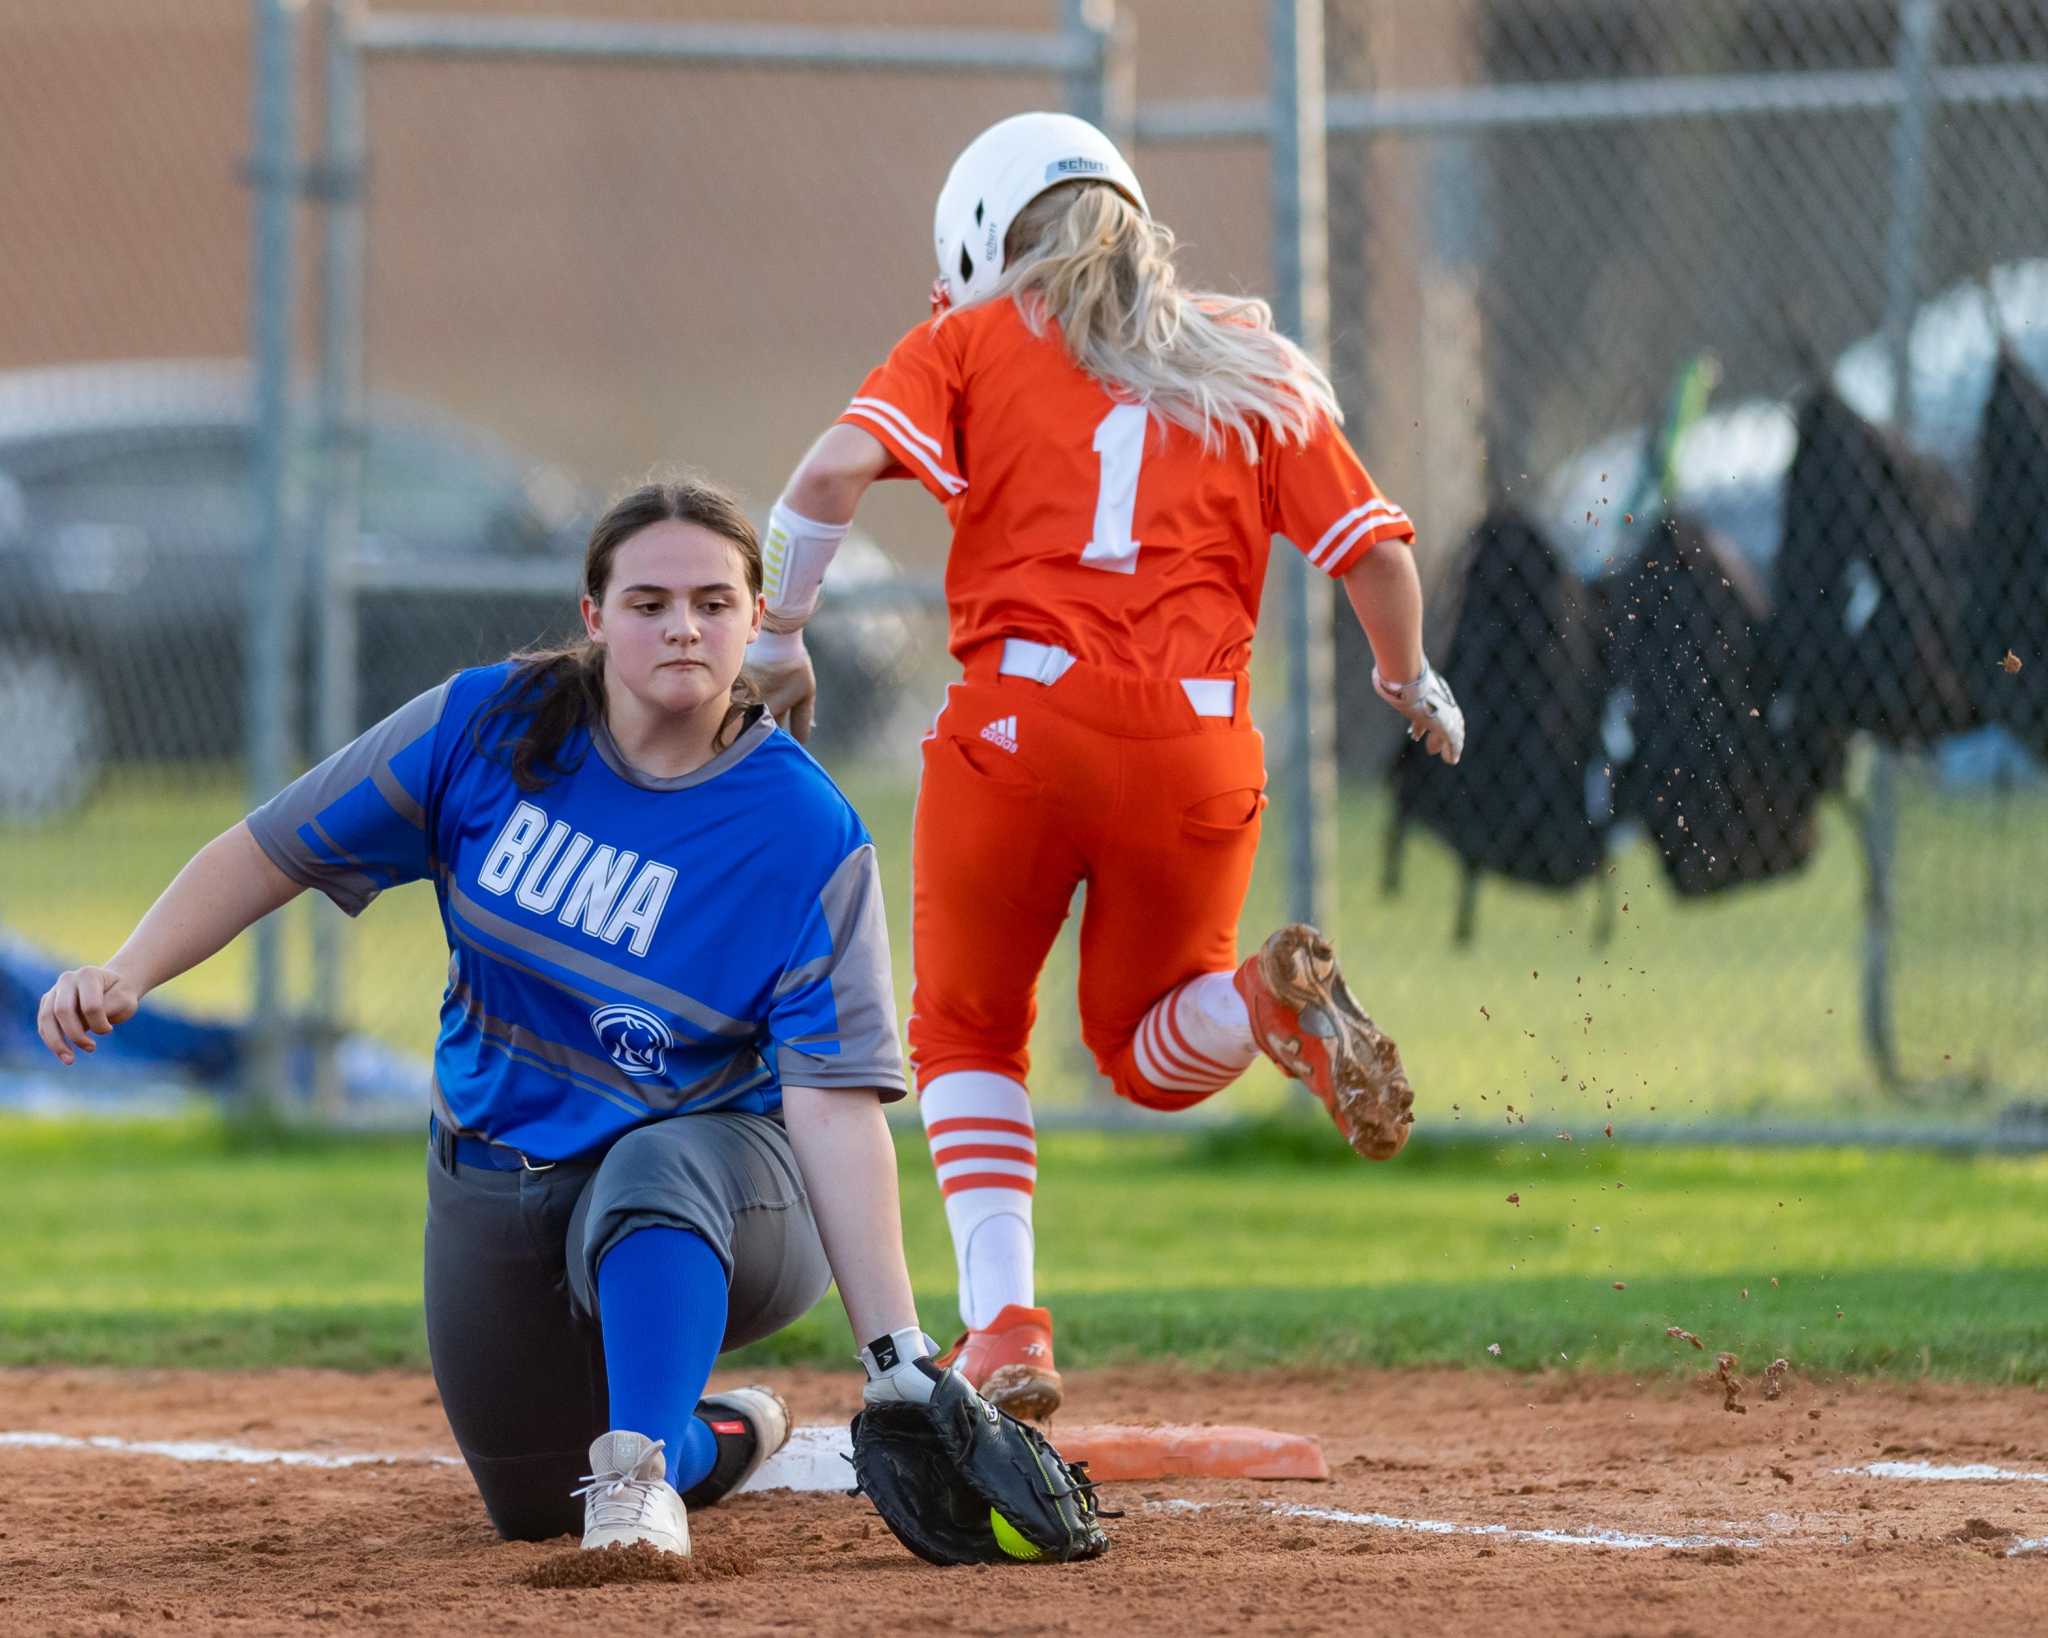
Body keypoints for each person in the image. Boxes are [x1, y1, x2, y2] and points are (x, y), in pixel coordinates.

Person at [33, 475, 970, 1557]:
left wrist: (893, 1350)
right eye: (649, 601)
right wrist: (129, 969)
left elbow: (833, 1104)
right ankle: (717, 1438)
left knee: (652, 1171)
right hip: (499, 1173)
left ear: (755, 619)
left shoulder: (803, 828)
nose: (682, 626)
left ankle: (640, 1479)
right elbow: (272, 847)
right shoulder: (488, 723)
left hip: (732, 1200)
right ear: (594, 617)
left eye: (714, 603)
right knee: (530, 1510)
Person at [748, 113, 1466, 1421]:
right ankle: (1262, 1003)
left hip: (1021, 730)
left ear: (982, 238)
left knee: (970, 1025)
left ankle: (1006, 1322)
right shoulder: (1248, 355)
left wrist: (782, 634)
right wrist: (1405, 677)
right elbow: (1372, 552)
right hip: (1197, 743)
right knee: (1148, 1046)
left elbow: (827, 475)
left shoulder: (966, 337)